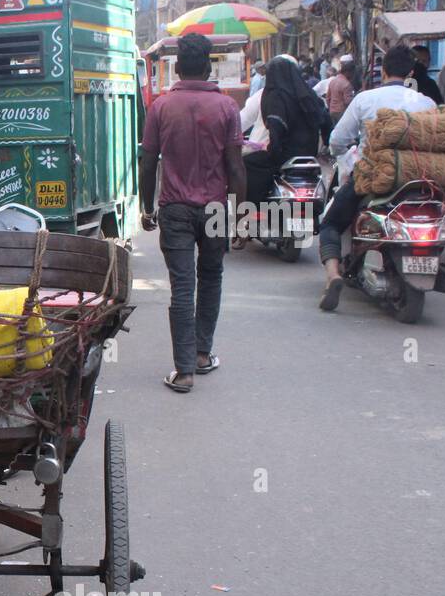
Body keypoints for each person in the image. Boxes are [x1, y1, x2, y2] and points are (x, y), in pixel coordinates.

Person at [139, 33, 247, 393]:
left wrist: (145, 206)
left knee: (182, 288)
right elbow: (236, 167)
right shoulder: (227, 108)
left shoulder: (161, 108)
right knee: (212, 277)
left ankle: (184, 372)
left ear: (177, 67)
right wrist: (242, 215)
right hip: (215, 207)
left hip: (175, 208)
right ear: (207, 66)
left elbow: (147, 160)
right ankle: (202, 355)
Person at [316, 44, 437, 311]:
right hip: (419, 182)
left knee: (331, 223)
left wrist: (345, 157)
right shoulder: (426, 102)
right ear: (411, 72)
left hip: (372, 177)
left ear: (383, 71)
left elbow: (337, 141)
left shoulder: (365, 99)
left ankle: (334, 273)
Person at [243, 55, 331, 210]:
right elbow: (325, 121)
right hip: (309, 156)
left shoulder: (276, 96)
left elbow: (277, 129)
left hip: (285, 155)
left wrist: (270, 151)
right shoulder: (308, 94)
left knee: (248, 164)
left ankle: (251, 211)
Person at [325, 60, 356, 131]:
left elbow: (328, 98)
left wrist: (331, 107)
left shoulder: (333, 81)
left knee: (334, 131)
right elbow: (348, 102)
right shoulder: (346, 84)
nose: (353, 75)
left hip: (332, 111)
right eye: (352, 73)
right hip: (342, 112)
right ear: (348, 72)